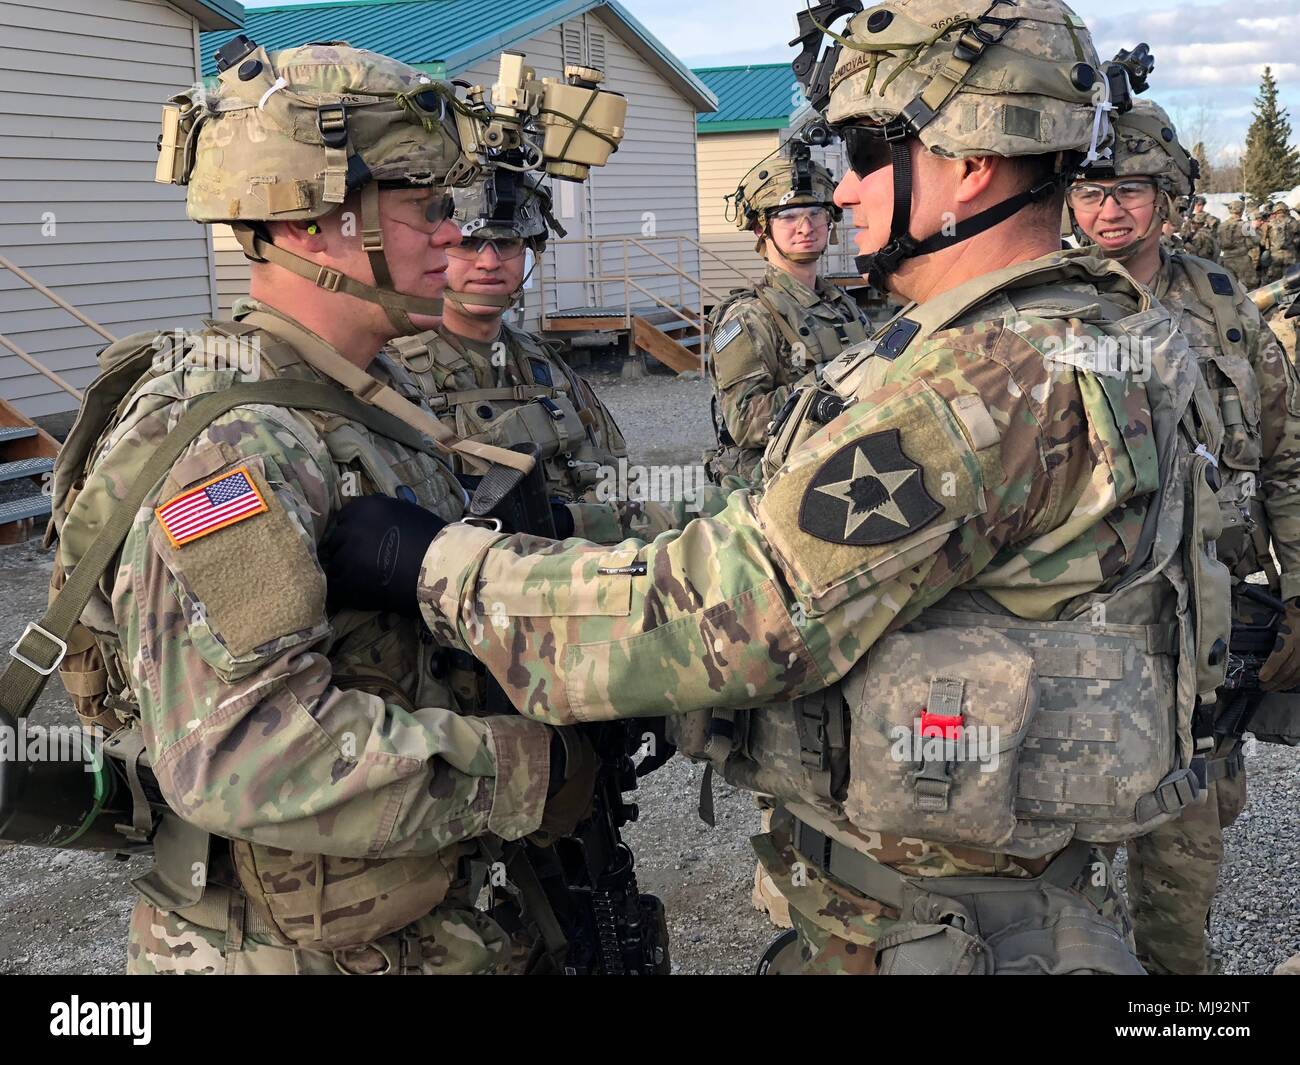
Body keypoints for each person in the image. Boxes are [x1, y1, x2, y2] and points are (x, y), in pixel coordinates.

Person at [322, 1, 1232, 975]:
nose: (841, 197)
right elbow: (808, 515)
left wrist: (433, 563)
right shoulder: (1103, 328)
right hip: (990, 893)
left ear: (970, 162)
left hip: (934, 923)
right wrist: (579, 523)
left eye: (866, 152)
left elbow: (735, 611)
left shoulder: (989, 380)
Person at [11, 40, 596, 975]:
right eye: (427, 207)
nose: (455, 235)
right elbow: (244, 747)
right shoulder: (235, 442)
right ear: (309, 225)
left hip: (383, 923)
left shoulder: (361, 392)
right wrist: (530, 772)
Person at [1069, 99, 1300, 975]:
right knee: (1058, 880)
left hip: (1203, 632)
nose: (1110, 210)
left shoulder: (1225, 306)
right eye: (1093, 191)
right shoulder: (1037, 305)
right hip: (1075, 628)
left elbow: (1287, 460)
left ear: (1168, 197)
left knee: (1182, 866)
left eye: (1133, 188)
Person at [388, 168, 659, 545]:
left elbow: (616, 474)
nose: (489, 262)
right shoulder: (391, 373)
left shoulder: (546, 364)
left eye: (507, 243)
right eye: (468, 245)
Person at [704, 145, 873, 485]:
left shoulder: (843, 306)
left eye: (816, 214)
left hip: (841, 468)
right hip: (775, 485)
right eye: (787, 216)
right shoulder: (750, 316)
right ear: (761, 229)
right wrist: (835, 385)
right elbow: (745, 422)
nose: (805, 227)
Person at [1218, 198, 1259, 288]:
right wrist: (1254, 228)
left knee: (1230, 286)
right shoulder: (1244, 225)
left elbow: (1218, 242)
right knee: (1252, 285)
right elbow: (1256, 240)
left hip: (1227, 259)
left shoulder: (1222, 226)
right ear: (1241, 210)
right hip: (1242, 259)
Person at [1182, 194, 1220, 261]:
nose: (1200, 207)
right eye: (1198, 205)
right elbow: (1183, 232)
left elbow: (1214, 224)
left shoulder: (1206, 216)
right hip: (1192, 245)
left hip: (1204, 245)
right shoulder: (1190, 216)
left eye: (1202, 205)